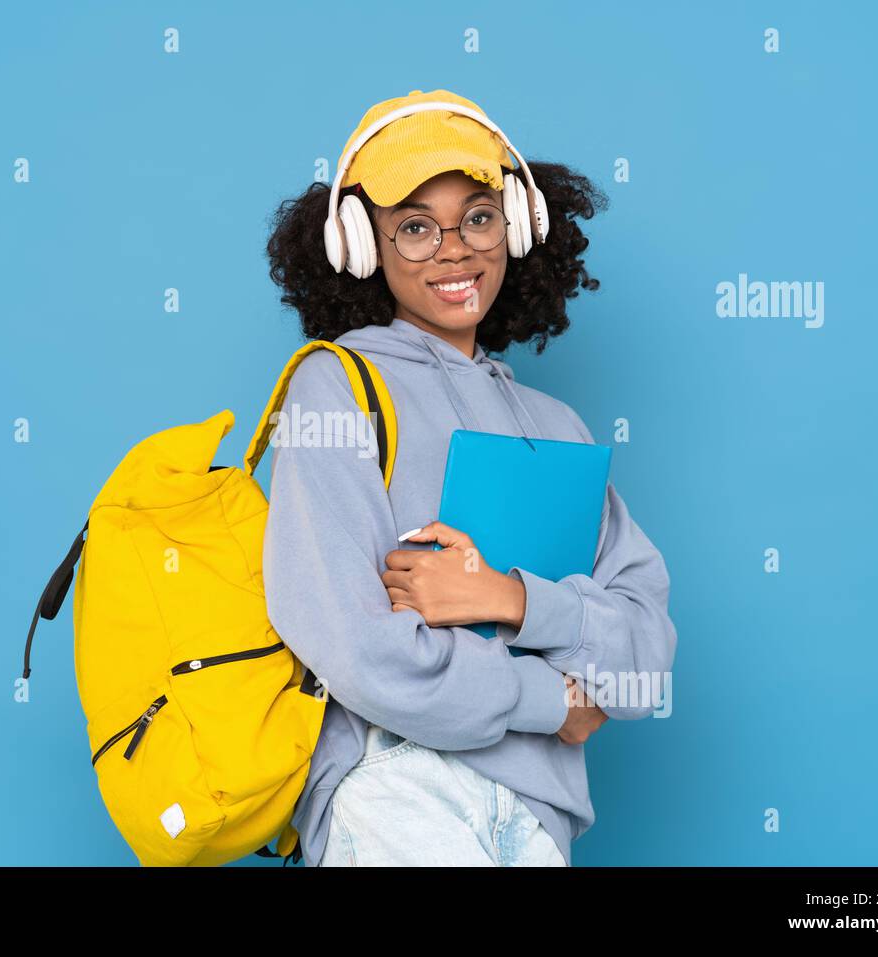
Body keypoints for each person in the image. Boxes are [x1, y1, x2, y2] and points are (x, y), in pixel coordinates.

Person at [261, 89, 677, 867]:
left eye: (478, 218)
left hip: (539, 814)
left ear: (515, 226)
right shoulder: (336, 386)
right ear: (361, 244)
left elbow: (645, 658)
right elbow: (356, 649)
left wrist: (509, 598)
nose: (453, 250)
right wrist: (550, 699)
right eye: (414, 228)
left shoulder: (559, 427)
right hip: (395, 787)